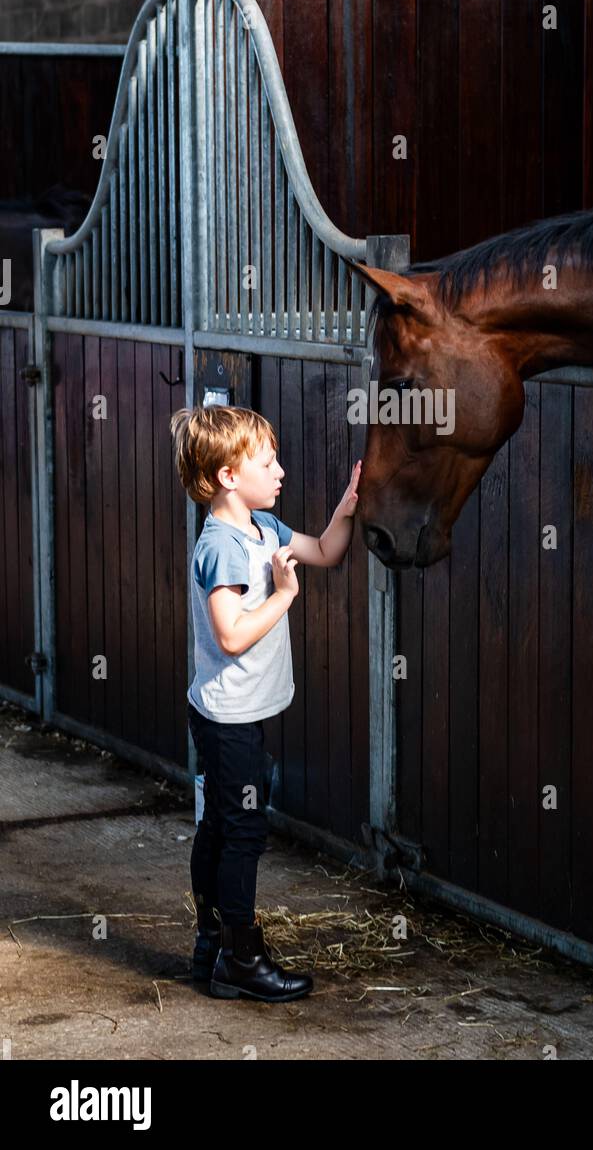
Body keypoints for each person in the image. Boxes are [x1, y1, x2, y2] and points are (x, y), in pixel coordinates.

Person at [170, 403, 361, 1002]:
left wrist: (348, 506)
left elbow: (327, 550)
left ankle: (212, 946)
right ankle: (239, 961)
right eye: (266, 460)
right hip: (228, 719)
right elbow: (230, 634)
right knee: (242, 832)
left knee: (222, 828)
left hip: (238, 714)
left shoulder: (263, 529)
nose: (280, 470)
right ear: (229, 476)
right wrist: (283, 596)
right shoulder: (224, 546)